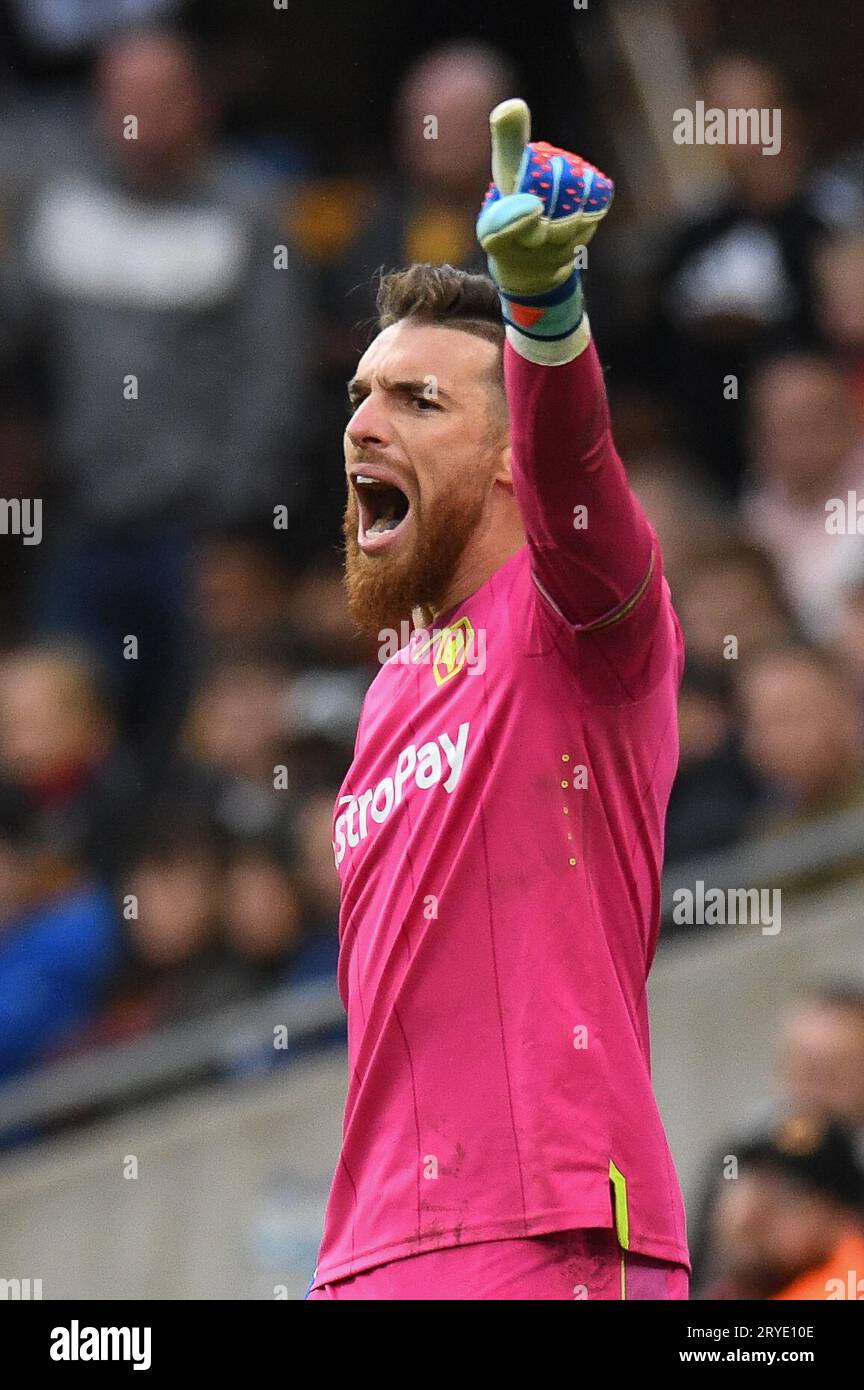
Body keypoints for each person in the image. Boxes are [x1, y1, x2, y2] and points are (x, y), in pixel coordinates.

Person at [308, 100, 689, 1301]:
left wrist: (543, 314)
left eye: (420, 403)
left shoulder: (582, 620)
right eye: (364, 396)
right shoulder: (388, 694)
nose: (365, 424)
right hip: (368, 1250)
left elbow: (578, 465)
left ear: (510, 451)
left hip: (550, 1232)